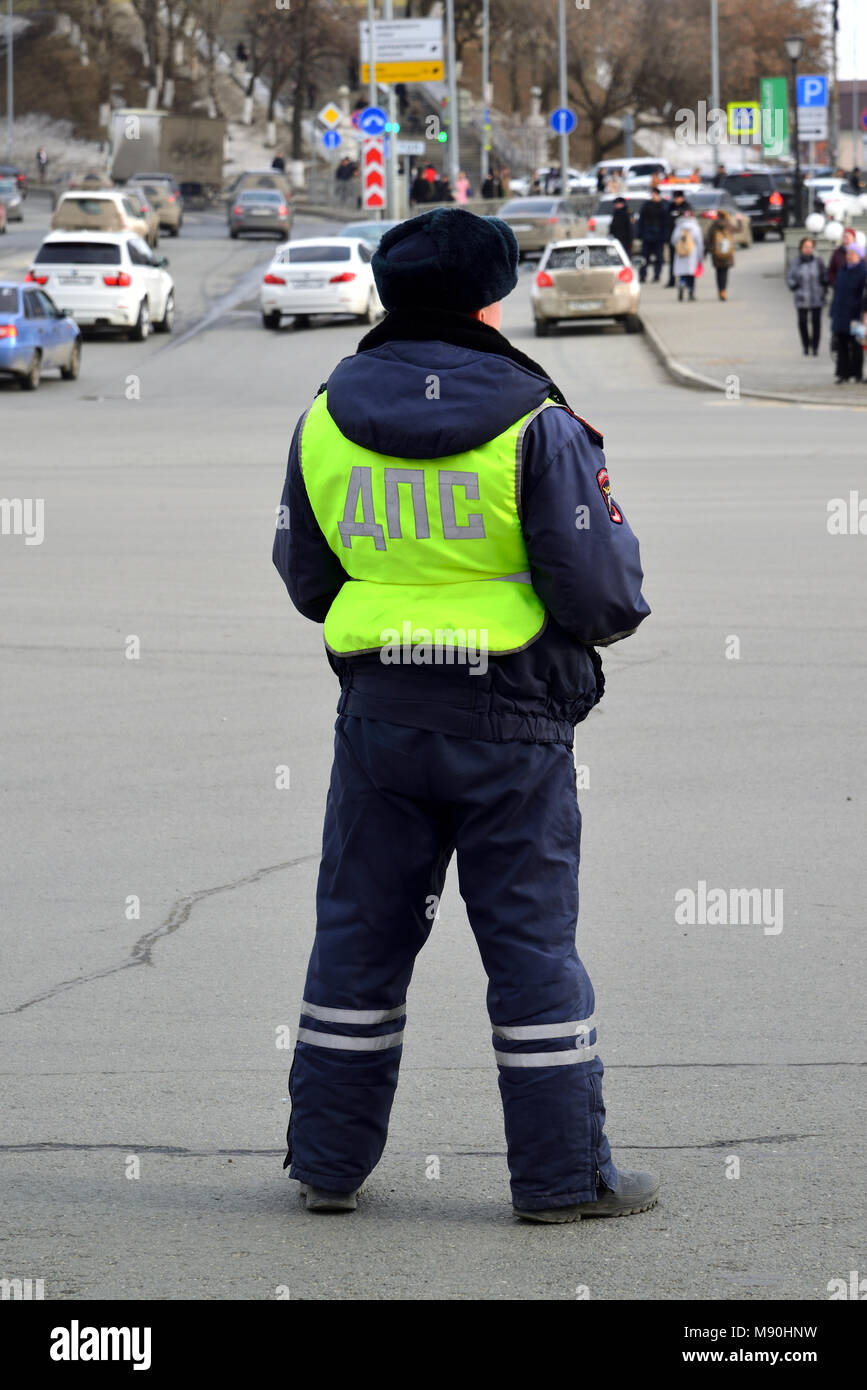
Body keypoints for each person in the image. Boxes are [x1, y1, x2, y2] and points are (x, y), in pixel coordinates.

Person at [272, 205, 657, 1223]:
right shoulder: (538, 420)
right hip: (512, 726)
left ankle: (327, 1167)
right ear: (494, 297)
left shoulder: (322, 412)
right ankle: (562, 1181)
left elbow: (307, 578)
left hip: (381, 720)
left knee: (356, 940)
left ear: (389, 294)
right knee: (531, 952)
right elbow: (603, 596)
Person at [829, 243, 867, 383]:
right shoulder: (843, 270)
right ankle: (842, 374)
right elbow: (837, 293)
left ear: (859, 255)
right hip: (840, 314)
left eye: (852, 253)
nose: (849, 256)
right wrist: (833, 311)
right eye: (848, 253)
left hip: (856, 315)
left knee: (857, 345)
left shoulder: (863, 271)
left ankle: (857, 374)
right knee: (841, 345)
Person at [786, 236, 829, 356]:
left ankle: (815, 346)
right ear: (801, 248)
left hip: (816, 295)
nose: (808, 249)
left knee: (816, 322)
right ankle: (806, 344)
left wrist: (825, 282)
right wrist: (794, 285)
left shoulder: (818, 261)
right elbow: (790, 276)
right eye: (806, 247)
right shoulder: (796, 261)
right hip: (801, 296)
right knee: (802, 322)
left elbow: (825, 274)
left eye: (810, 247)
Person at [670, 201, 704, 301]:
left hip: (680, 253)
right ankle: (690, 292)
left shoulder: (679, 226)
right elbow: (700, 242)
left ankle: (681, 283)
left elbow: (673, 240)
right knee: (691, 274)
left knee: (682, 273)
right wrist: (700, 256)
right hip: (692, 253)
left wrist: (679, 246)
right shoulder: (696, 227)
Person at [637, 187, 668, 282]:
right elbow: (641, 221)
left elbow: (666, 222)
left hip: (659, 236)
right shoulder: (646, 205)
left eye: (655, 194)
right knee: (644, 257)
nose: (654, 196)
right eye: (653, 194)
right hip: (647, 235)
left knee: (659, 258)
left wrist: (665, 236)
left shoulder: (663, 205)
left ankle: (657, 275)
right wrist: (639, 234)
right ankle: (642, 276)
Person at [704, 208, 736, 300]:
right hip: (727, 252)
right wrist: (740, 221)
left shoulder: (714, 225)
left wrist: (706, 251)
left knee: (718, 272)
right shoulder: (728, 224)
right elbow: (738, 230)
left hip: (716, 252)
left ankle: (720, 290)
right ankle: (724, 291)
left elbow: (708, 238)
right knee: (725, 272)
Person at [666, 189, 687, 286]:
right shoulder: (671, 207)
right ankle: (671, 280)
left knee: (684, 259)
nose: (676, 200)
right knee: (672, 260)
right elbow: (666, 220)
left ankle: (684, 280)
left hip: (684, 239)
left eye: (678, 197)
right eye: (675, 198)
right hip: (672, 237)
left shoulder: (686, 207)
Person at [828, 226, 857, 290]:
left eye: (848, 236)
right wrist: (835, 283)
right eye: (844, 236)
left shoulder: (859, 252)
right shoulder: (837, 253)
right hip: (840, 288)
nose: (846, 238)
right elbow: (831, 271)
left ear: (853, 238)